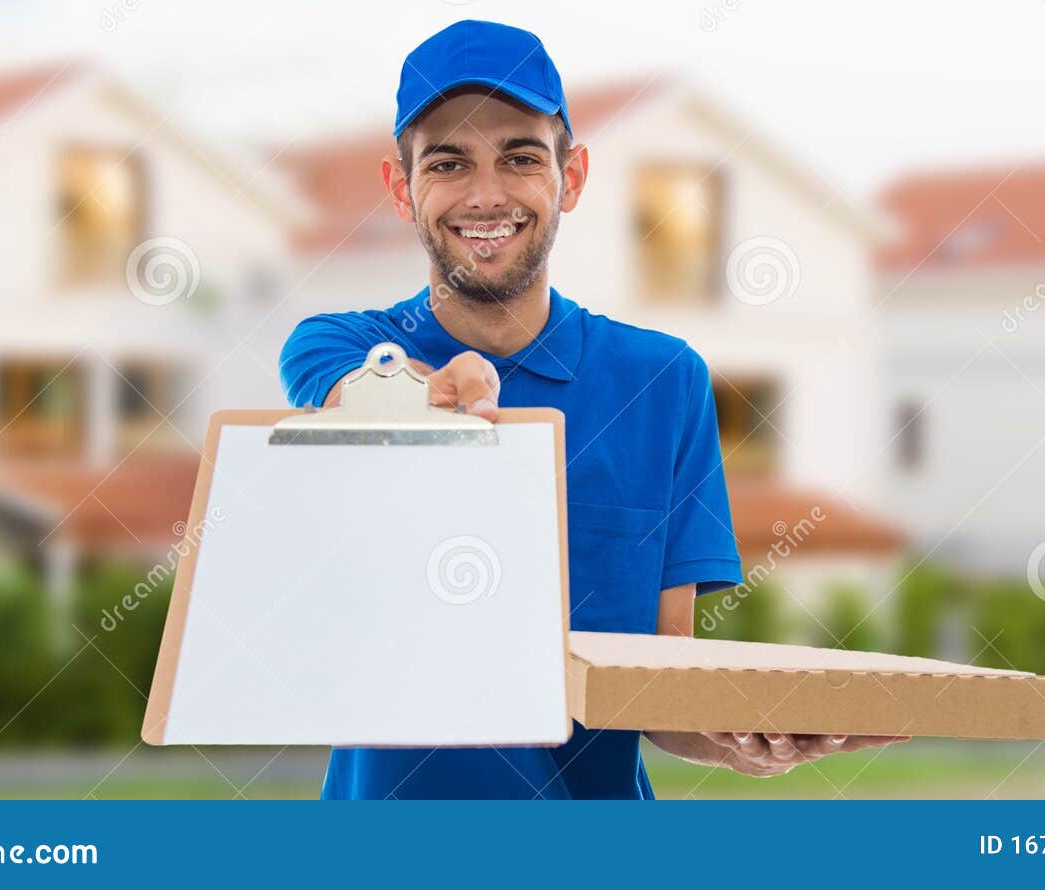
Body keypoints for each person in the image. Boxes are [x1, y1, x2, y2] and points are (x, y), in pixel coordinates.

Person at [279, 19, 905, 799]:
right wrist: (429, 392)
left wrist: (743, 737)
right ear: (401, 188)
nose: (486, 194)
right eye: (447, 163)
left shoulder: (663, 382)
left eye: (520, 157)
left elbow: (661, 684)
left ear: (570, 177)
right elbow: (344, 386)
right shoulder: (343, 345)